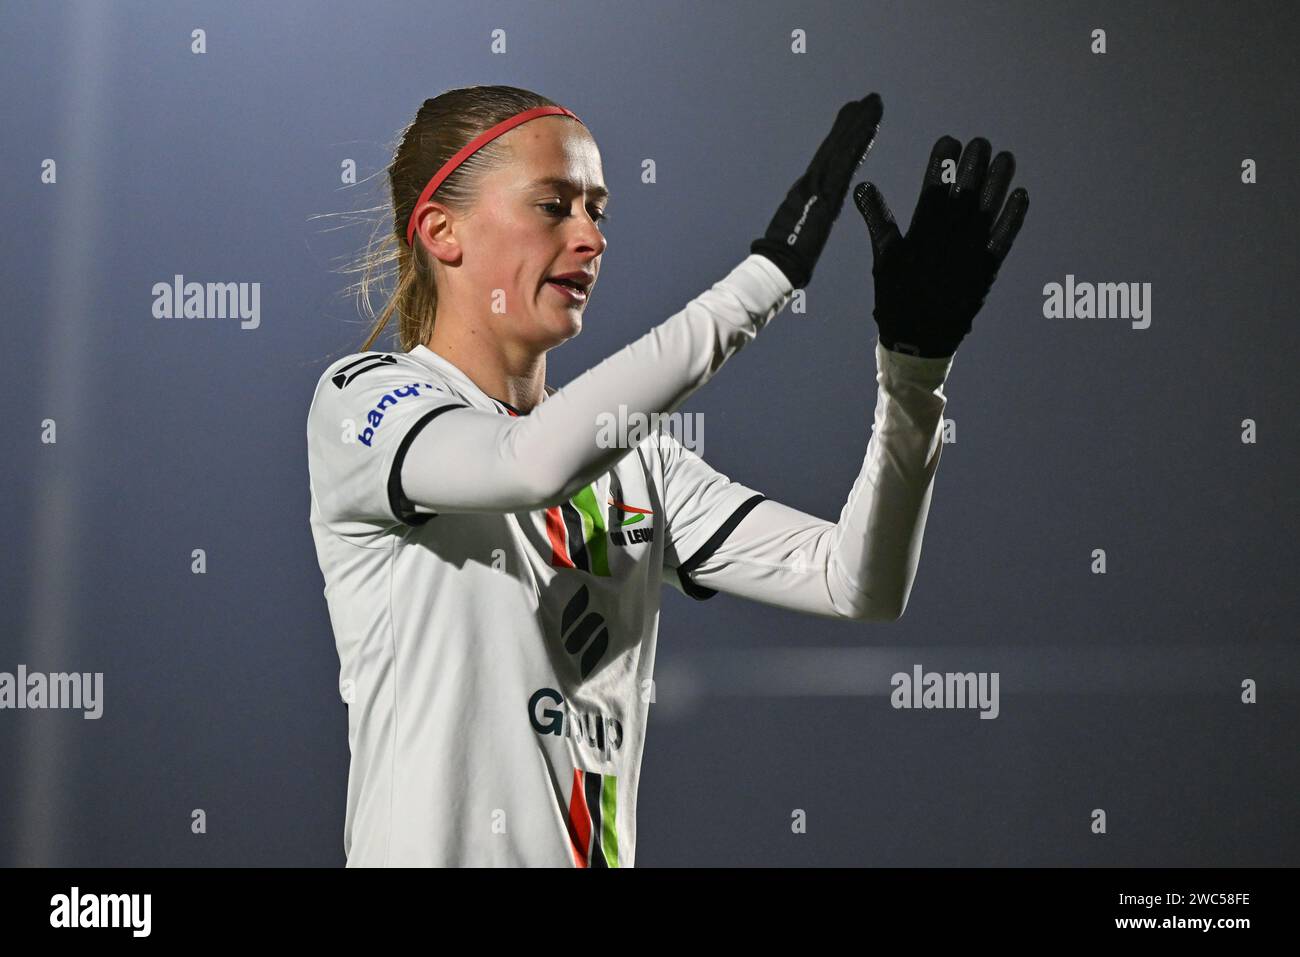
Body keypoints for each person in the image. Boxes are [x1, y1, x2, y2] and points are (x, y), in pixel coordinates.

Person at [306, 84, 1027, 867]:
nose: (591, 236)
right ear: (442, 232)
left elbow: (858, 582)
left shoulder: (636, 460)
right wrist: (766, 277)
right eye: (554, 205)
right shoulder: (364, 403)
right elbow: (527, 464)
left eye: (598, 210)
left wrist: (914, 378)